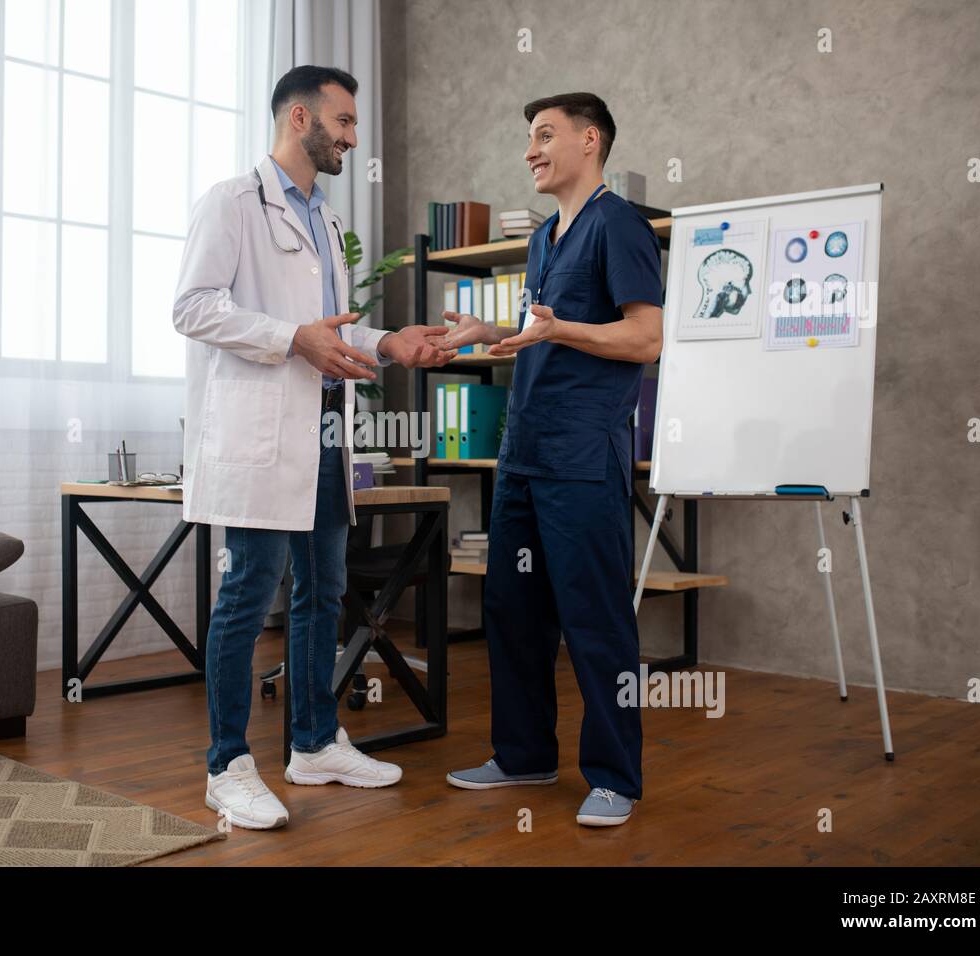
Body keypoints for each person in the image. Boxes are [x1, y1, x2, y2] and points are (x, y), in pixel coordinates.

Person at [173, 65, 454, 830]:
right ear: (301, 119)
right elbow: (193, 308)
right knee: (247, 594)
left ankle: (314, 742)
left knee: (322, 591)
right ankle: (226, 764)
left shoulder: (326, 222)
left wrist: (388, 341)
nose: (353, 137)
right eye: (345, 122)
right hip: (259, 436)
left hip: (325, 434)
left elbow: (330, 332)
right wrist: (288, 339)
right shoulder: (230, 204)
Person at [440, 92, 664, 827]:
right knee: (513, 610)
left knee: (594, 618)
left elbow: (645, 339)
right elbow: (547, 329)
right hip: (524, 455)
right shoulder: (543, 239)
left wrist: (562, 329)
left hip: (581, 457)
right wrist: (490, 330)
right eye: (528, 139)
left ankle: (614, 777)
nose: (530, 150)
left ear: (589, 140)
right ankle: (524, 755)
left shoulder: (620, 226)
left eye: (545, 136)